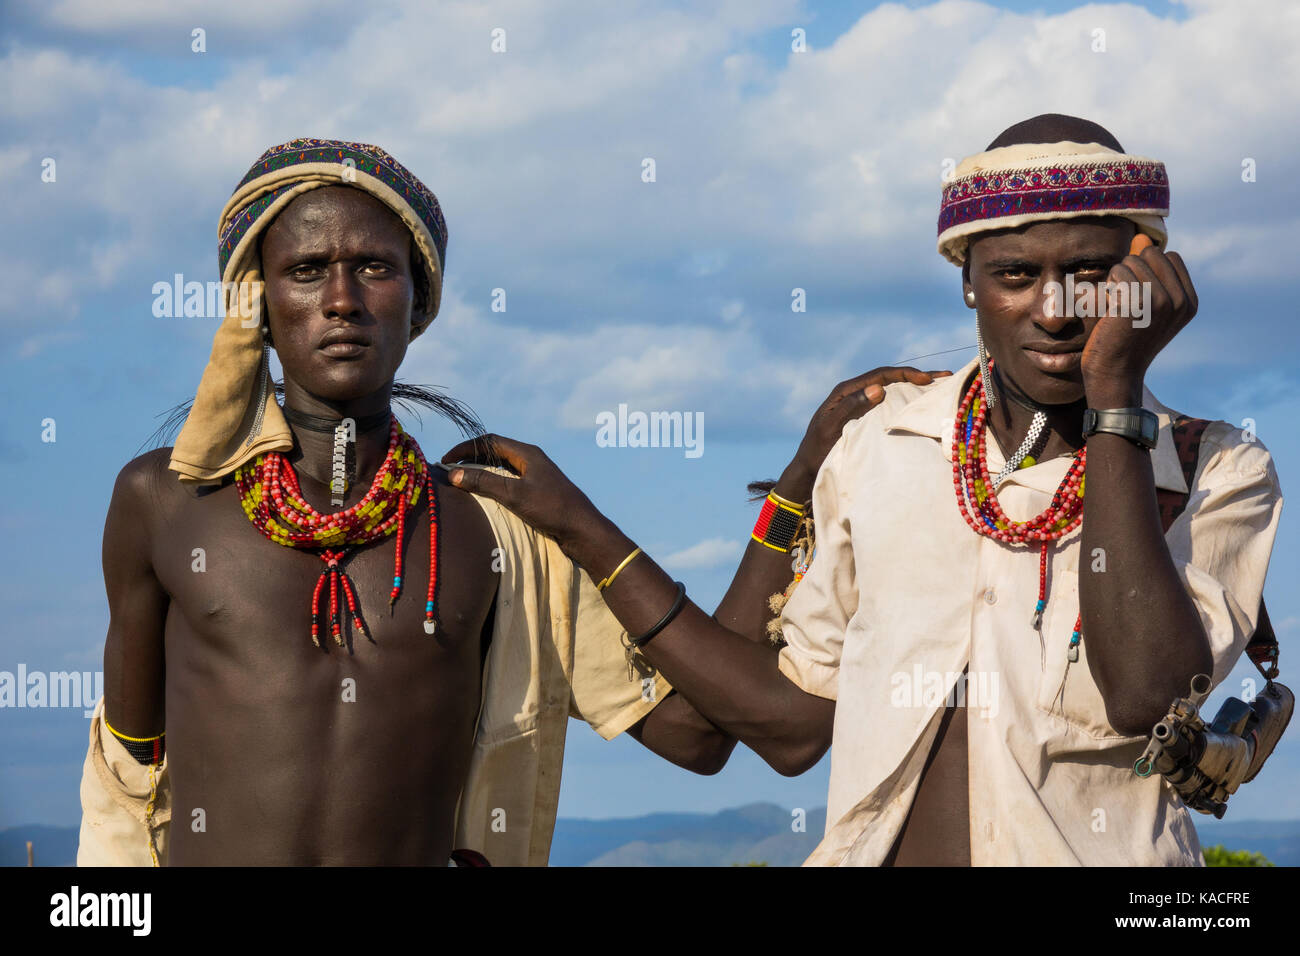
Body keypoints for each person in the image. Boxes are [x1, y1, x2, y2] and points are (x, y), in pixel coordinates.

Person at [443, 114, 1284, 865]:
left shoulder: (1216, 470)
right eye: (1016, 274)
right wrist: (581, 525)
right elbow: (792, 726)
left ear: (1147, 281)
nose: (1056, 310)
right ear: (968, 285)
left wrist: (1115, 396)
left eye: (1092, 274)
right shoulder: (888, 446)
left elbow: (1145, 695)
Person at [77, 137, 734, 867]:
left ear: (418, 298)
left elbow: (699, 733)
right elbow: (129, 783)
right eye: (305, 271)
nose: (340, 301)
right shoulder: (163, 502)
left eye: (375, 269)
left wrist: (794, 499)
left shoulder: (493, 529)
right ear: (256, 304)